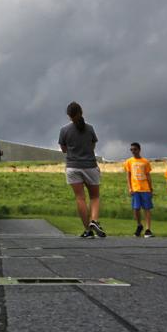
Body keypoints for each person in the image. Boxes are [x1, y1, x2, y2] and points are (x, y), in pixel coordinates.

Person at [59, 101, 105, 238]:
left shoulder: (64, 130)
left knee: (80, 198)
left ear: (69, 115)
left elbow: (64, 150)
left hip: (73, 167)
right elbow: (92, 146)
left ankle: (87, 230)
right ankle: (94, 220)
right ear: (81, 112)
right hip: (90, 166)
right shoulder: (90, 128)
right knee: (94, 197)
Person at [124, 142, 155, 237]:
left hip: (145, 188)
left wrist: (151, 188)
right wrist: (130, 187)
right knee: (136, 208)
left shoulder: (145, 162)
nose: (133, 151)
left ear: (139, 150)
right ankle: (139, 225)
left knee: (147, 208)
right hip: (135, 188)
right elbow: (128, 175)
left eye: (135, 149)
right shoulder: (129, 161)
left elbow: (148, 175)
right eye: (131, 149)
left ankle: (148, 229)